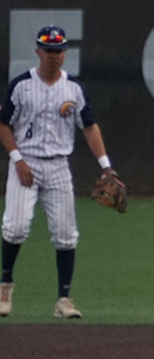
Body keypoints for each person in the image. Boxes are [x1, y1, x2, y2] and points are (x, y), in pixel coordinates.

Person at [0, 26, 117, 319]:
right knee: (16, 228)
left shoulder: (73, 88)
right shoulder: (21, 85)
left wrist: (106, 166)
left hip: (58, 166)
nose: (54, 55)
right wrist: (17, 159)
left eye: (59, 50)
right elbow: (3, 124)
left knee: (66, 234)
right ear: (38, 52)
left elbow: (89, 127)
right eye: (49, 50)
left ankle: (63, 300)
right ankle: (5, 286)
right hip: (25, 162)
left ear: (65, 53)